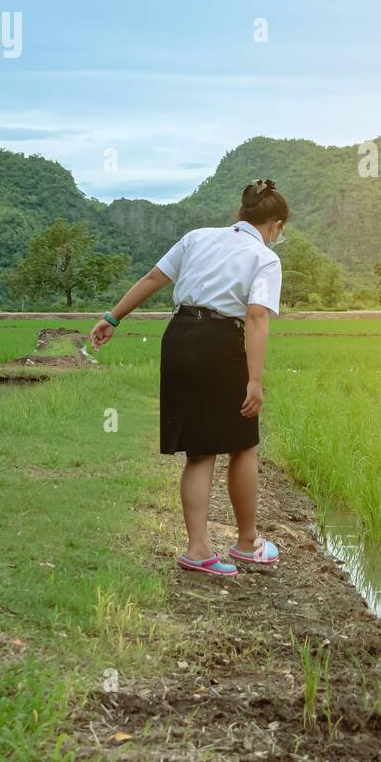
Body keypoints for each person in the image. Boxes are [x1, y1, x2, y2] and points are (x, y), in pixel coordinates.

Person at [89, 179, 289, 578]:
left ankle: (198, 550)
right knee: (243, 442)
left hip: (179, 338)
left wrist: (112, 317)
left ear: (242, 213)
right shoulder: (263, 256)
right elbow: (256, 316)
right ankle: (248, 544)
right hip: (219, 343)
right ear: (276, 224)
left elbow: (152, 279)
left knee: (200, 450)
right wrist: (254, 379)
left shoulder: (197, 238)